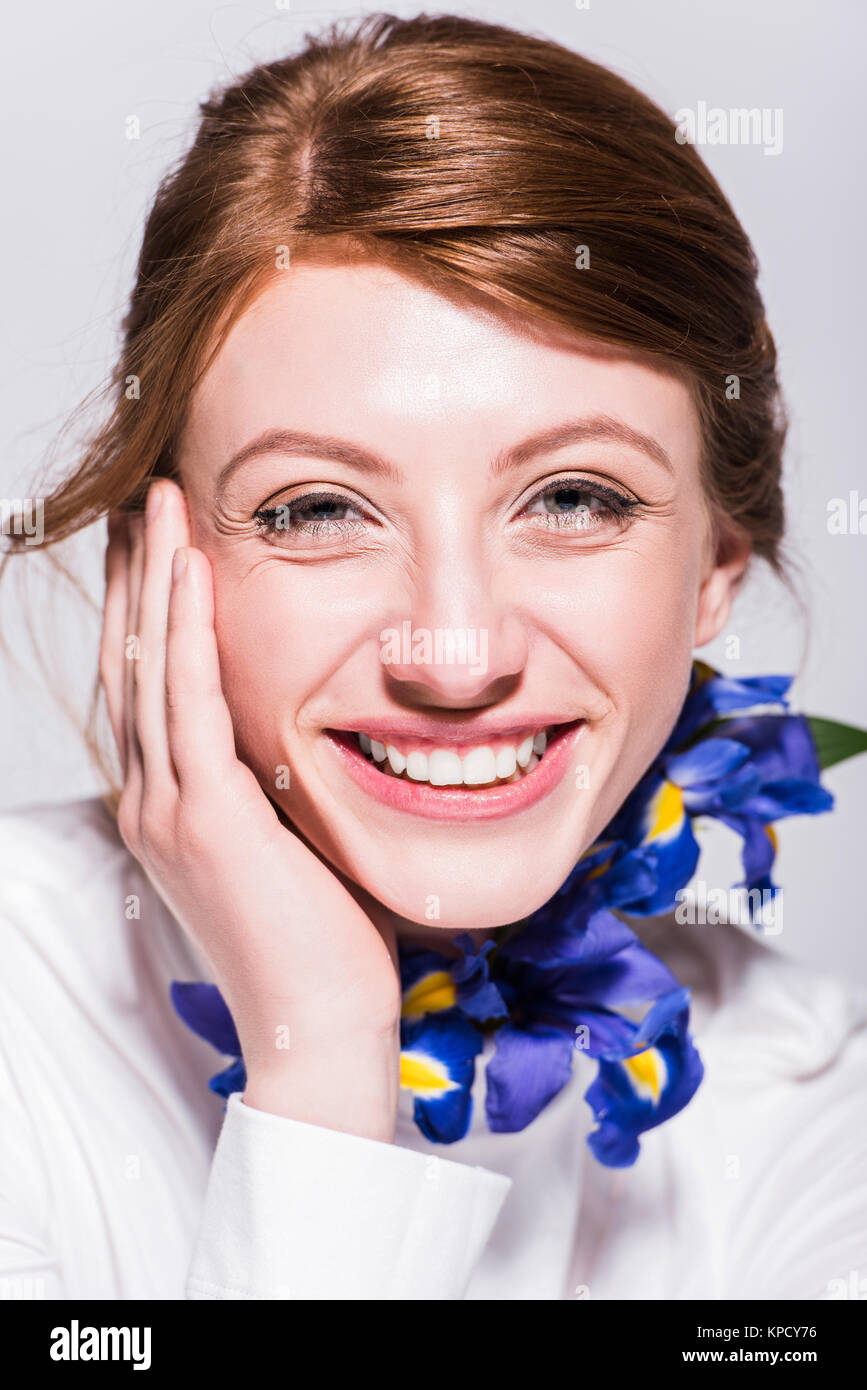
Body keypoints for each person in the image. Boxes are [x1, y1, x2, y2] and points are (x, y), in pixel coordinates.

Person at [1, 11, 865, 1301]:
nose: (456, 654)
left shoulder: (809, 1105)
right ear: (158, 569)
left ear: (714, 571)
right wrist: (320, 1064)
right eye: (317, 510)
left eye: (576, 499)